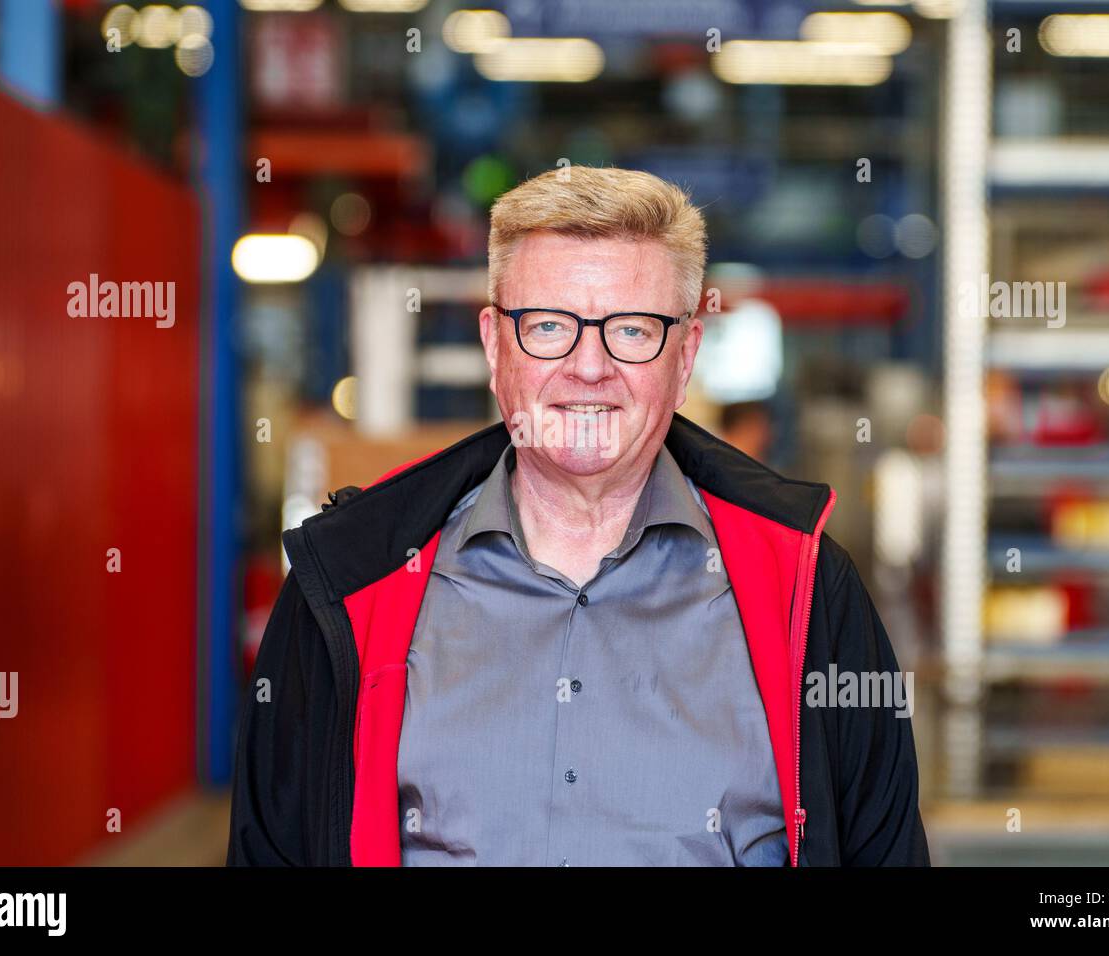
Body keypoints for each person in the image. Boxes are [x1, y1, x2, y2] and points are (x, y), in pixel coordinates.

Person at [227, 166, 930, 867]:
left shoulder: (806, 593)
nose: (588, 366)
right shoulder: (351, 587)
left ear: (685, 357)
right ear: (494, 346)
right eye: (548, 326)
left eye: (631, 329)